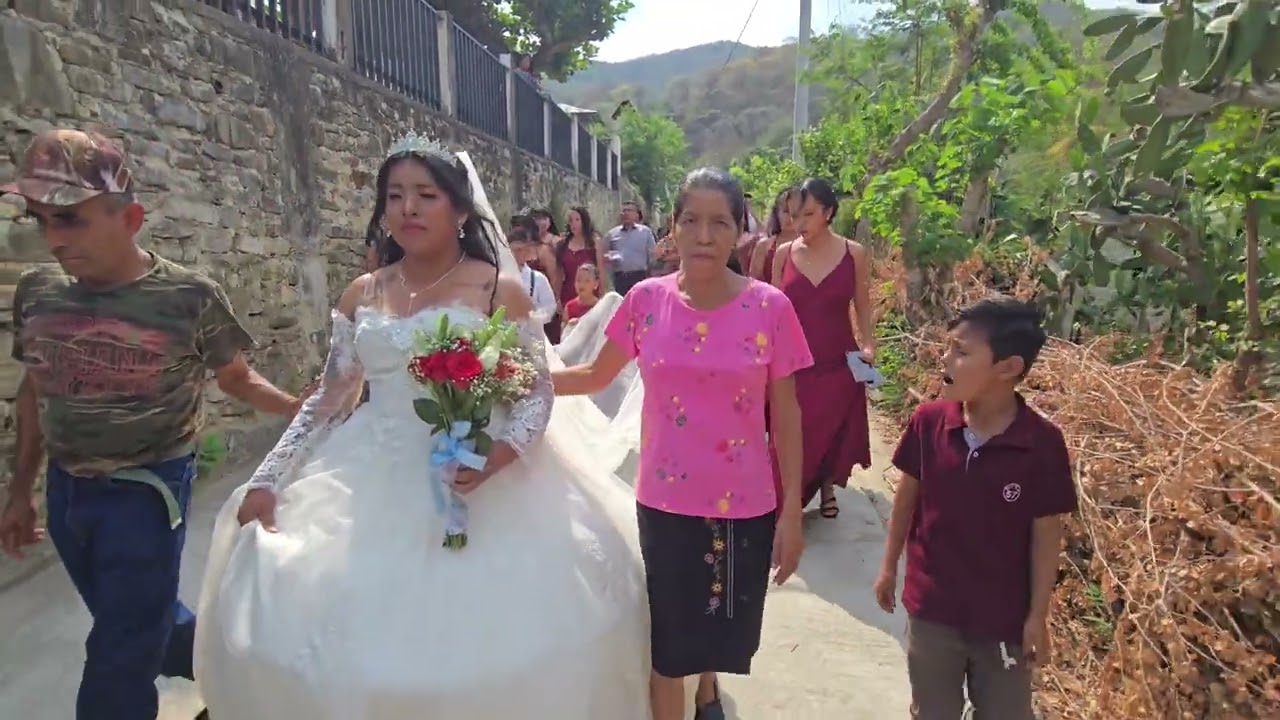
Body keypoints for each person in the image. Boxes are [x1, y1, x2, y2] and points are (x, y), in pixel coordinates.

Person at [194, 134, 651, 719]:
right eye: (394, 196)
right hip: (369, 471)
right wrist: (269, 476)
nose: (407, 208)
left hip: (483, 473)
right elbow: (330, 398)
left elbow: (534, 392)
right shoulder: (364, 292)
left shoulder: (494, 287)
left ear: (460, 210)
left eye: (425, 195)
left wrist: (496, 457)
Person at [0, 128, 304, 720]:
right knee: (141, 620)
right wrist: (20, 492)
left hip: (147, 494)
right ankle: (238, 672)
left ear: (130, 217)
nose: (53, 239)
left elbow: (237, 378)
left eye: (70, 220)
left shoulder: (187, 297)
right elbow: (35, 388)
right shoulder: (38, 293)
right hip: (68, 496)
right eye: (41, 221)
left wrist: (304, 410)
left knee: (118, 651)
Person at [553, 167, 812, 720]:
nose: (703, 236)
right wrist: (521, 380)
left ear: (740, 231)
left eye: (719, 223)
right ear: (671, 227)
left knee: (720, 627)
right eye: (691, 220)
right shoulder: (646, 300)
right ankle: (689, 695)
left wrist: (792, 512)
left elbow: (786, 415)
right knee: (668, 647)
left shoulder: (771, 308)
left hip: (743, 505)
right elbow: (596, 376)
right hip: (666, 503)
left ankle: (709, 688)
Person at [873, 297, 1076, 720]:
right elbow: (907, 499)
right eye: (949, 347)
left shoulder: (1041, 445)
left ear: (1008, 368)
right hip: (932, 611)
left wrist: (1038, 615)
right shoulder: (929, 423)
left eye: (962, 352)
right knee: (932, 710)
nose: (945, 358)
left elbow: (1045, 535)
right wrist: (890, 566)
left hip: (1002, 621)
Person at [769, 177, 874, 518]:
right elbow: (770, 309)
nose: (798, 224)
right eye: (793, 215)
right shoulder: (783, 254)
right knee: (791, 434)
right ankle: (786, 502)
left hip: (836, 360)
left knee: (831, 431)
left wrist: (869, 344)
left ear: (828, 212)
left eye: (808, 214)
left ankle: (827, 486)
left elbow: (862, 303)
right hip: (792, 364)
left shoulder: (853, 254)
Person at [556, 205, 607, 307]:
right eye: (571, 221)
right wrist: (557, 297)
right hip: (568, 294)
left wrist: (602, 296)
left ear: (584, 221)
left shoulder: (594, 242)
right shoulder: (563, 244)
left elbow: (601, 271)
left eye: (577, 220)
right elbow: (559, 274)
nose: (573, 224)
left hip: (591, 295)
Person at [525, 207, 563, 341]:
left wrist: (555, 298)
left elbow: (555, 277)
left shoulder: (546, 249)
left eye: (543, 218)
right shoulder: (522, 248)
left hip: (544, 303)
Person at [509, 222, 558, 325]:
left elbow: (550, 307)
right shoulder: (498, 277)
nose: (515, 254)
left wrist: (533, 317)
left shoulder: (538, 279)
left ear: (527, 251)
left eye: (519, 250)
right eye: (512, 250)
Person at [748, 187, 799, 283]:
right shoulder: (764, 246)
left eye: (795, 211)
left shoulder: (811, 245)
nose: (790, 216)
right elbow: (753, 283)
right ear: (777, 212)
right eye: (786, 211)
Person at [604, 201, 656, 295]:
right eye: (624, 211)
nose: (626, 213)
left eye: (629, 210)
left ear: (637, 214)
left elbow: (652, 256)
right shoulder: (612, 234)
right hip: (620, 278)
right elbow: (604, 255)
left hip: (640, 277)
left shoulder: (645, 232)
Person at [562, 262, 602, 334]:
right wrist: (570, 326)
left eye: (587, 281)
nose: (581, 284)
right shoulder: (569, 306)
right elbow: (563, 333)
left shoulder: (600, 306)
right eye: (578, 280)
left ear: (596, 283)